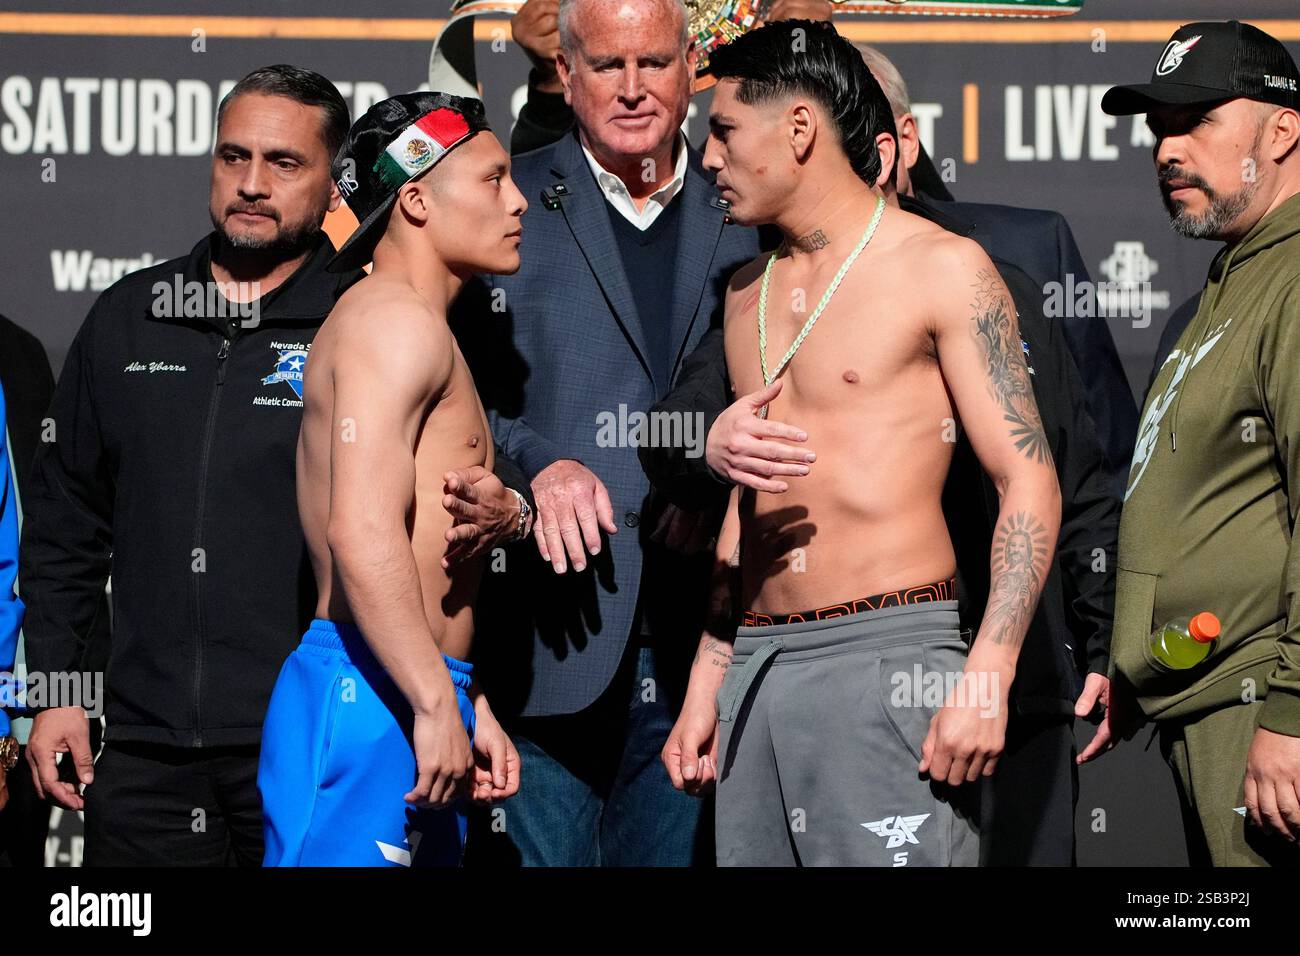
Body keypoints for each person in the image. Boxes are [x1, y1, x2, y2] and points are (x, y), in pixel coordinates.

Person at [20, 66, 532, 867]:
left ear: (336, 188)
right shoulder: (132, 316)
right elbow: (65, 526)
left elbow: (419, 522)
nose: (252, 184)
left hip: (308, 710)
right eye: (233, 158)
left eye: (285, 163)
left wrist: (461, 694)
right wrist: (57, 692)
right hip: (150, 744)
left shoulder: (354, 311)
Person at [641, 38, 1117, 867]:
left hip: (889, 658)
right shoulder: (748, 291)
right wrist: (710, 673)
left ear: (798, 128)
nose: (706, 157)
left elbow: (1029, 481)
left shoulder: (942, 267)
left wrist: (989, 671)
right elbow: (750, 505)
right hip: (759, 667)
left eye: (722, 130)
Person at [453, 0, 761, 866]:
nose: (633, 89)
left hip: (703, 639)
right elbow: (457, 399)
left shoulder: (747, 209)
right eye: (607, 66)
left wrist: (709, 482)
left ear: (691, 68)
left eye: (654, 63)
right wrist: (536, 470)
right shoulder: (505, 201)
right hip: (542, 637)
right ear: (565, 73)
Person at [258, 92, 525, 867]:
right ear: (414, 198)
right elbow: (362, 530)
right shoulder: (392, 322)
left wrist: (459, 695)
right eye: (491, 179)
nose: (517, 202)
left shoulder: (415, 324)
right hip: (368, 690)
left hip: (405, 686)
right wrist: (434, 698)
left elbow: (413, 541)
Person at [1102, 19, 1300, 865]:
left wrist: (1292, 711)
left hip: (1259, 708)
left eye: (1197, 121)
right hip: (1194, 702)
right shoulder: (1224, 284)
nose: (1167, 149)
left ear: (1283, 129)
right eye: (1158, 128)